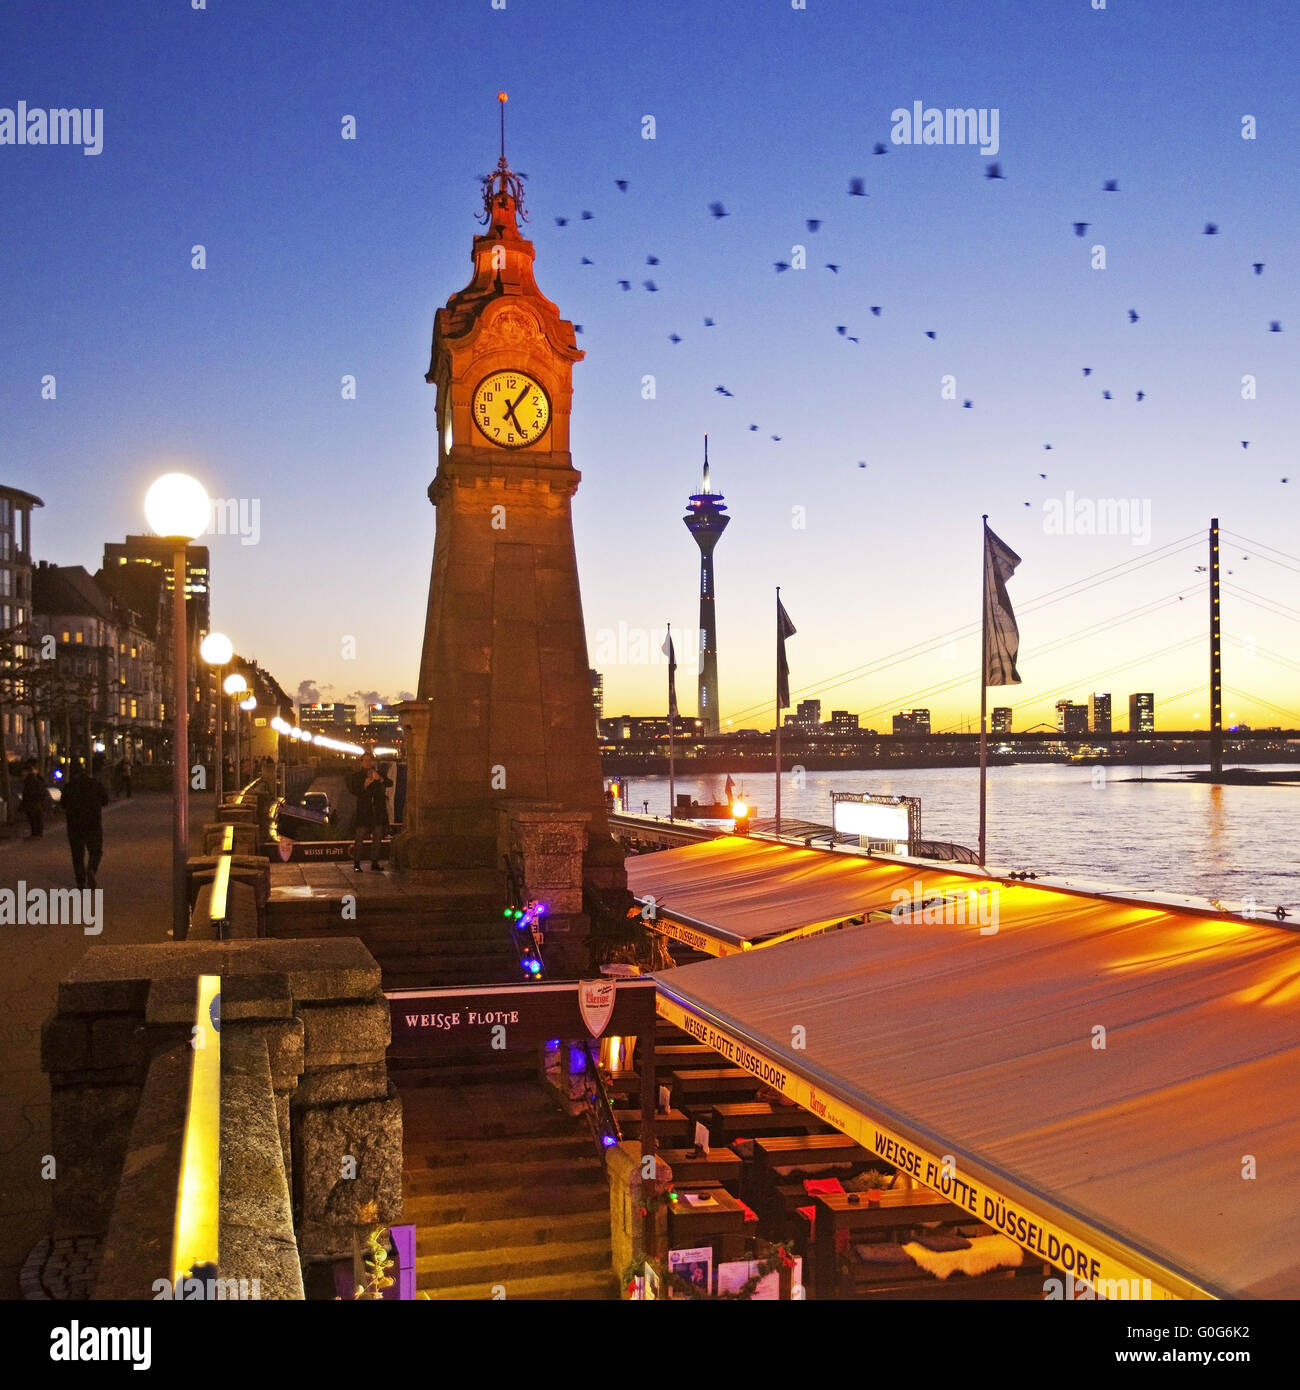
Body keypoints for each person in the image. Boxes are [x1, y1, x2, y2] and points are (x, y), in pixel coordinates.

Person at [63, 766, 109, 889]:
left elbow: (63, 803)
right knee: (96, 851)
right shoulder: (95, 784)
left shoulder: (69, 786)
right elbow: (105, 800)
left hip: (74, 825)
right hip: (93, 823)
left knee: (77, 854)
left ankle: (81, 881)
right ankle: (92, 869)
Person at [348, 752, 390, 872]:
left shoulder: (377, 773)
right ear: (361, 762)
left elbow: (389, 783)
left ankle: (374, 863)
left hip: (377, 811)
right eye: (365, 760)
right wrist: (365, 785)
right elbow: (354, 790)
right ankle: (357, 863)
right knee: (359, 838)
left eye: (369, 760)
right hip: (364, 812)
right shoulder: (357, 776)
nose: (367, 762)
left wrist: (380, 779)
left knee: (377, 838)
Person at [21, 761, 48, 838]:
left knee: (34, 818)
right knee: (37, 818)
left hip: (32, 802)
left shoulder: (30, 780)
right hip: (36, 802)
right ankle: (37, 833)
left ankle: (35, 833)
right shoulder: (37, 779)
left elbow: (28, 792)